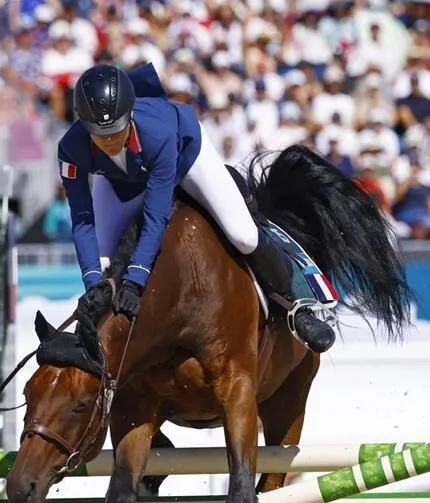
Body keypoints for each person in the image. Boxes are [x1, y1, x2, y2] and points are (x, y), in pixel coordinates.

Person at [57, 62, 334, 352]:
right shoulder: (69, 149)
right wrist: (93, 284)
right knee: (100, 265)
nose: (110, 141)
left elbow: (156, 215)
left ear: (130, 114)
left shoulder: (159, 134)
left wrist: (134, 280)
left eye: (116, 130)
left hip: (186, 156)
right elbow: (82, 220)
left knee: (243, 236)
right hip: (121, 176)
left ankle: (298, 304)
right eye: (99, 135)